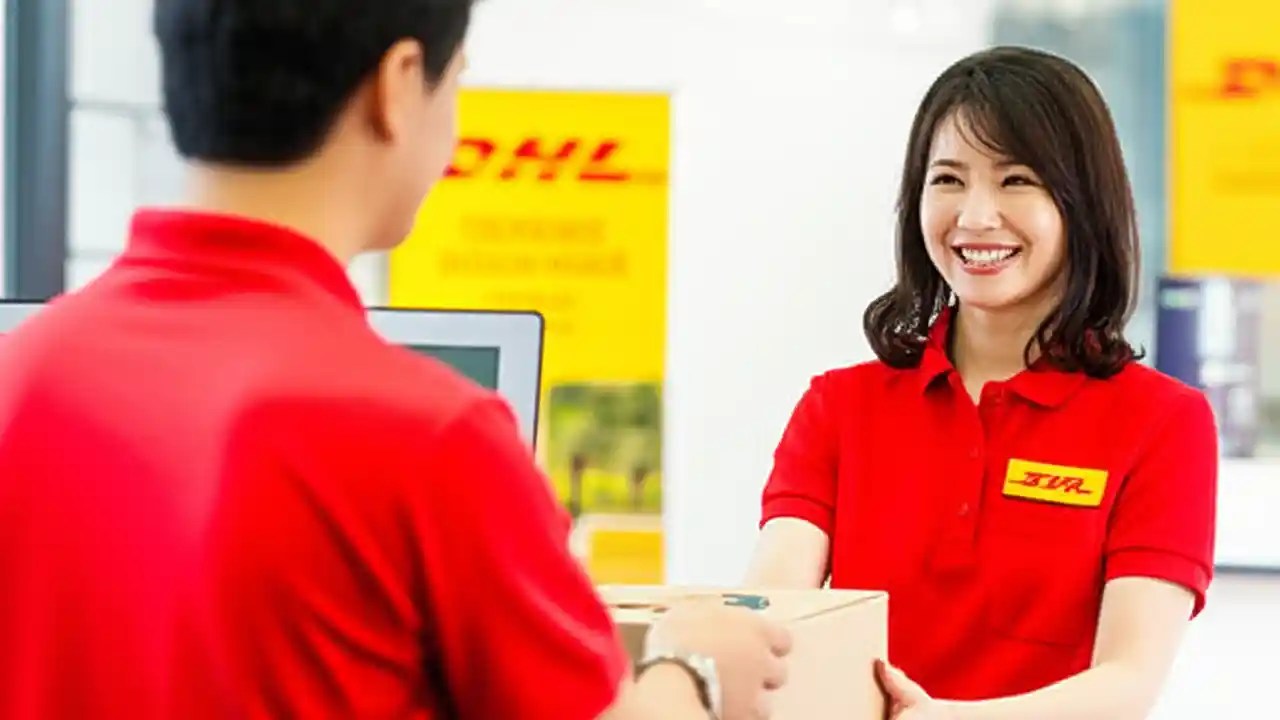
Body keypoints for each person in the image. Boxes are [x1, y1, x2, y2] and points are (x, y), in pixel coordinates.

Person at [0, 2, 790, 718]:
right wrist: (694, 669)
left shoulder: (18, 374)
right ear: (399, 86)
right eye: (458, 85)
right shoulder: (432, 435)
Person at [746, 46, 1217, 719]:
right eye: (948, 179)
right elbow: (774, 613)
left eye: (1017, 179)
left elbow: (1126, 682)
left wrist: (945, 719)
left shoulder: (1164, 422)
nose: (974, 216)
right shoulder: (839, 407)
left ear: (1082, 203)